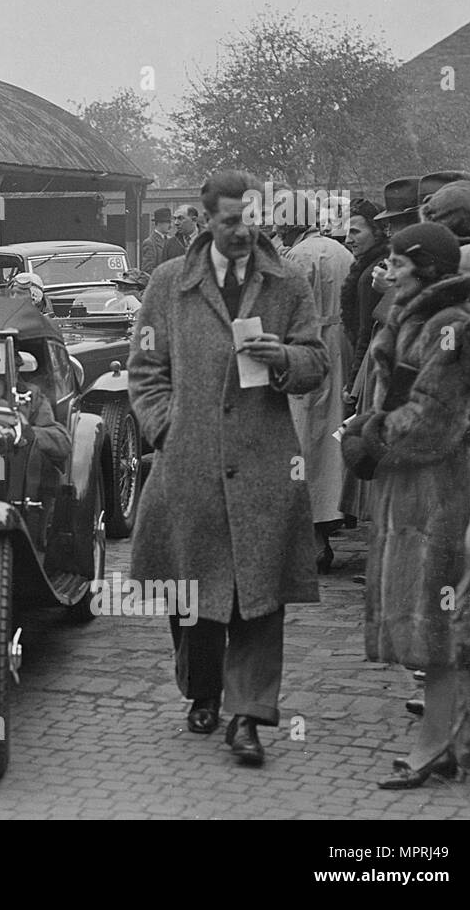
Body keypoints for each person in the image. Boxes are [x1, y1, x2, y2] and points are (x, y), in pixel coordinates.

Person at [129, 169, 327, 766]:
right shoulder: (169, 284)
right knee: (193, 588)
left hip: (266, 461)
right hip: (189, 462)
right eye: (229, 221)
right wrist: (168, 427)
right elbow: (144, 369)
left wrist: (286, 357)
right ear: (208, 219)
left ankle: (249, 716)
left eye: (251, 220)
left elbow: (316, 362)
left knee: (259, 595)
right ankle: (203, 689)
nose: (242, 232)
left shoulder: (287, 283)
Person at [340, 222, 470, 788]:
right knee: (432, 627)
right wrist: (368, 428)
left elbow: (435, 422)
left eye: (397, 262)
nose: (386, 271)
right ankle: (448, 740)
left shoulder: (457, 330)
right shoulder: (417, 319)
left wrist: (370, 436)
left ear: (424, 266)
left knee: (440, 630)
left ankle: (435, 745)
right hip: (410, 497)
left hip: (441, 500)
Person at [281, 213, 354, 572]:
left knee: (305, 440)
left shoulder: (296, 257)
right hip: (342, 344)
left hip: (309, 346)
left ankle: (313, 538)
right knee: (333, 438)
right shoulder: (342, 251)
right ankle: (332, 517)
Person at [338, 200, 391, 528]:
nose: (349, 238)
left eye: (356, 230)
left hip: (373, 367)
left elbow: (365, 330)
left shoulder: (376, 271)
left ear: (376, 231)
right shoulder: (370, 265)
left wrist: (353, 380)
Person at [141, 207, 172, 274]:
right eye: (167, 222)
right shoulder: (150, 243)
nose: (170, 226)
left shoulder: (171, 241)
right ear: (159, 223)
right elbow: (147, 270)